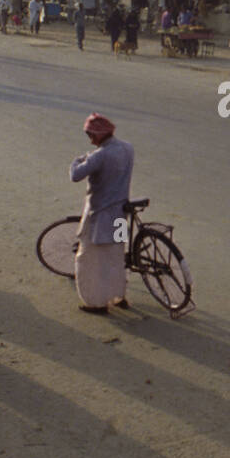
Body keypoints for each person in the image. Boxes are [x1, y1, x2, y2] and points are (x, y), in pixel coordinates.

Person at [69, 113, 134, 314]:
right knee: (116, 256)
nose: (90, 140)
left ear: (99, 134)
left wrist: (78, 160)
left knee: (90, 259)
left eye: (91, 135)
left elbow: (75, 175)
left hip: (100, 215)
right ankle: (118, 295)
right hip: (121, 213)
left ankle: (96, 302)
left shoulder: (100, 156)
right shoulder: (128, 148)